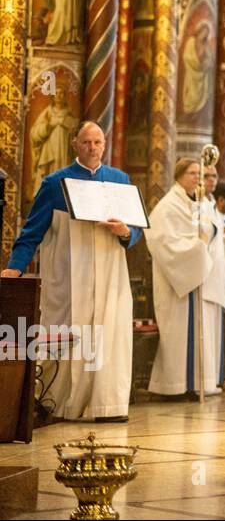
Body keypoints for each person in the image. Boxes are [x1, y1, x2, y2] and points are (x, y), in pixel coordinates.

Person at [2, 121, 141, 423]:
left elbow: (136, 231)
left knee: (108, 336)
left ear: (105, 145)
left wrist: (125, 232)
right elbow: (31, 232)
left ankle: (107, 405)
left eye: (98, 142)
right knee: (68, 335)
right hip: (68, 278)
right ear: (75, 144)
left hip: (109, 277)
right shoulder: (55, 183)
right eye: (86, 142)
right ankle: (58, 402)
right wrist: (15, 268)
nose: (93, 148)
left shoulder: (119, 180)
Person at [145, 158, 225, 399]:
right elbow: (160, 238)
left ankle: (200, 382)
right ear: (179, 175)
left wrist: (202, 250)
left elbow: (209, 233)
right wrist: (196, 251)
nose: (197, 178)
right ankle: (175, 385)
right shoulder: (168, 205)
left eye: (199, 173)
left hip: (203, 277)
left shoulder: (201, 203)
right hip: (180, 283)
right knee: (180, 333)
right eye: (192, 173)